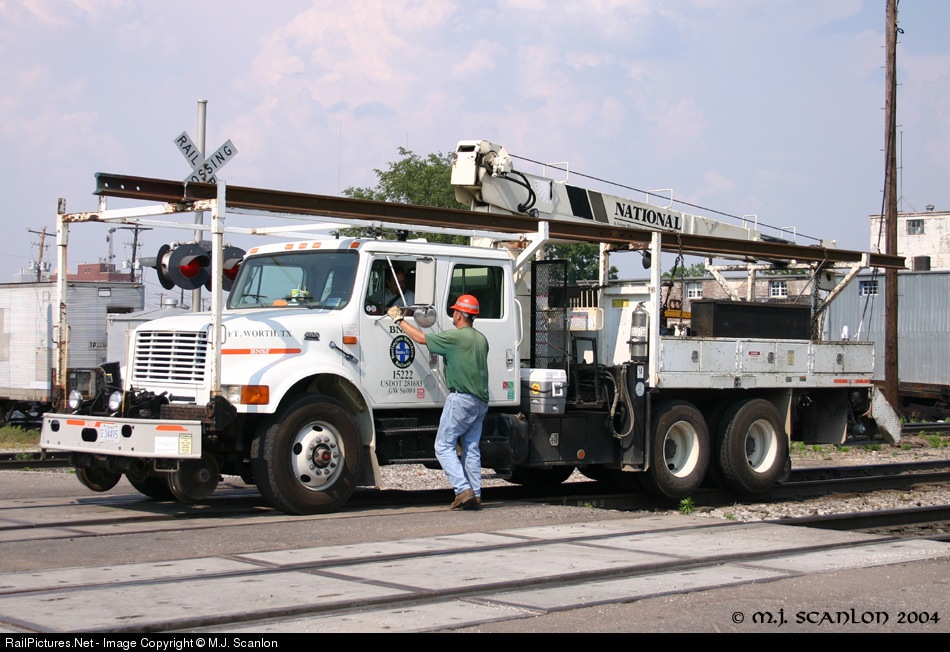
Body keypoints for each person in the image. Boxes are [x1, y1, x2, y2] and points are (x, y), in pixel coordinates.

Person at [388, 294, 488, 510]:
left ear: (459, 315)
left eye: (454, 312)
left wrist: (399, 320)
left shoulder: (455, 337)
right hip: (480, 401)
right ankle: (476, 493)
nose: (453, 315)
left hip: (461, 398)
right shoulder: (481, 339)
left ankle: (463, 490)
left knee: (443, 446)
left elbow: (421, 339)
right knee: (471, 448)